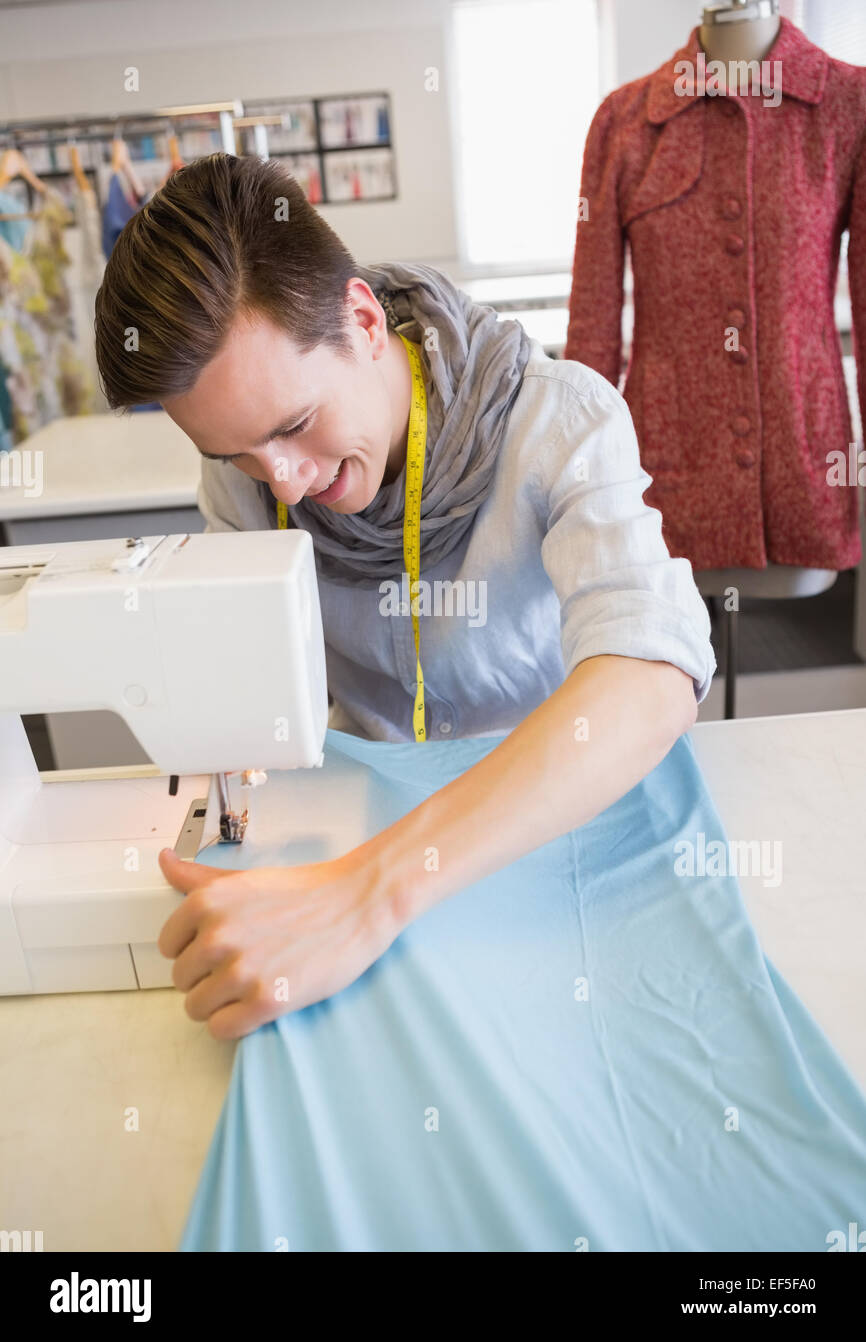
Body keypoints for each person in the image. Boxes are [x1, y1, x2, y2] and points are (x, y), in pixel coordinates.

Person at [94, 153, 716, 1040]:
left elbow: (650, 673)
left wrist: (372, 892)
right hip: (357, 836)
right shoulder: (249, 478)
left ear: (362, 320)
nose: (287, 484)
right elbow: (240, 674)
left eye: (294, 427)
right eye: (236, 455)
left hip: (546, 833)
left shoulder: (559, 424)